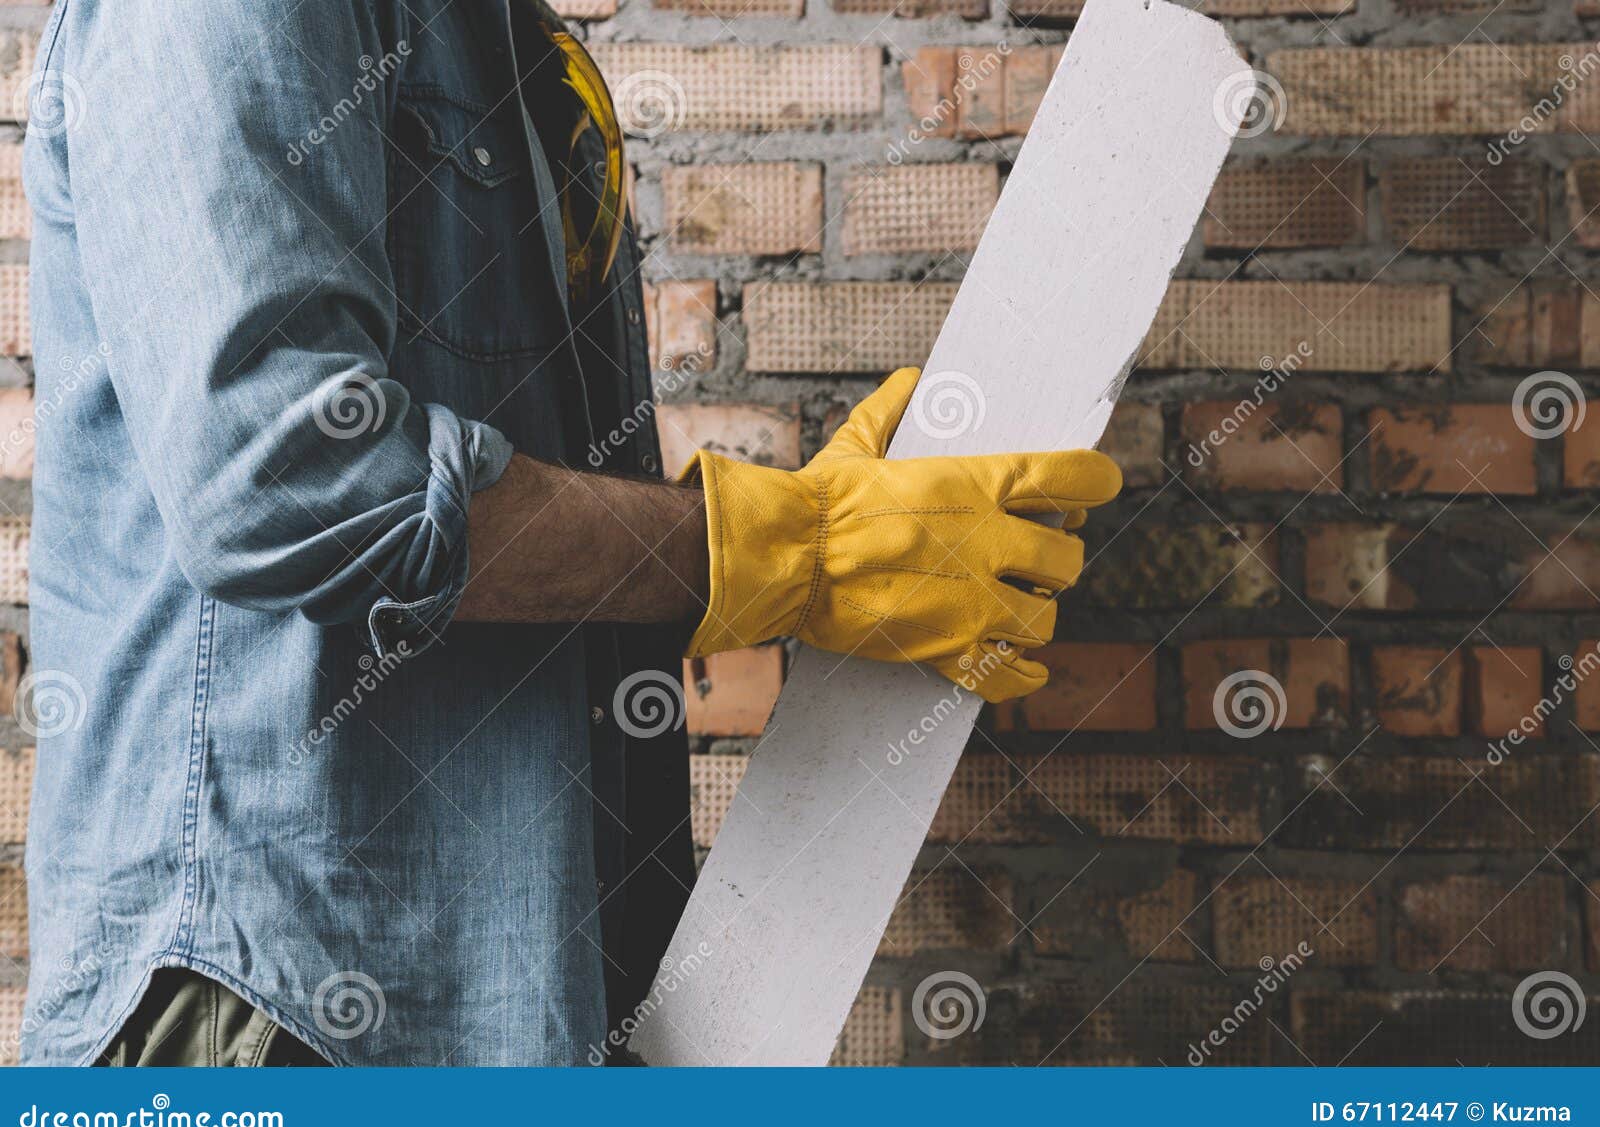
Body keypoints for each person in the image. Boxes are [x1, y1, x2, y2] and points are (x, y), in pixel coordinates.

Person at [19, 0, 1119, 1066]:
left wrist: (795, 546)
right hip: (278, 1005)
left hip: (511, 998)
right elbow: (287, 476)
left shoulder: (498, 33)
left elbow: (479, 523)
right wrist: (784, 551)